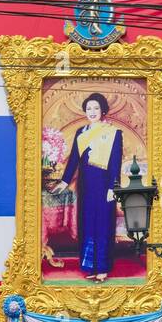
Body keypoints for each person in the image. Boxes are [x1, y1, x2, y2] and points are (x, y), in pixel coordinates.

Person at [52, 93, 125, 282]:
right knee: (88, 225)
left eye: (96, 108)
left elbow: (115, 163)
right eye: (89, 109)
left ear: (103, 111)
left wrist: (113, 188)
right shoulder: (81, 133)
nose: (92, 112)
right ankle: (90, 267)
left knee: (103, 225)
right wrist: (65, 181)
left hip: (104, 187)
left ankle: (103, 268)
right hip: (85, 187)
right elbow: (74, 160)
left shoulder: (113, 133)